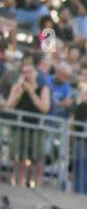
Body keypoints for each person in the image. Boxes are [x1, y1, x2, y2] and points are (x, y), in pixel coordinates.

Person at [5, 55, 51, 187]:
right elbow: (9, 106)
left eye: (30, 72)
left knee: (37, 157)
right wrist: (19, 92)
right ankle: (18, 182)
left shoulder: (43, 88)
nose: (27, 75)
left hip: (36, 127)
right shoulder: (17, 87)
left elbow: (45, 107)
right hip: (20, 127)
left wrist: (32, 92)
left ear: (35, 72)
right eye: (24, 72)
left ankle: (37, 183)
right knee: (19, 156)